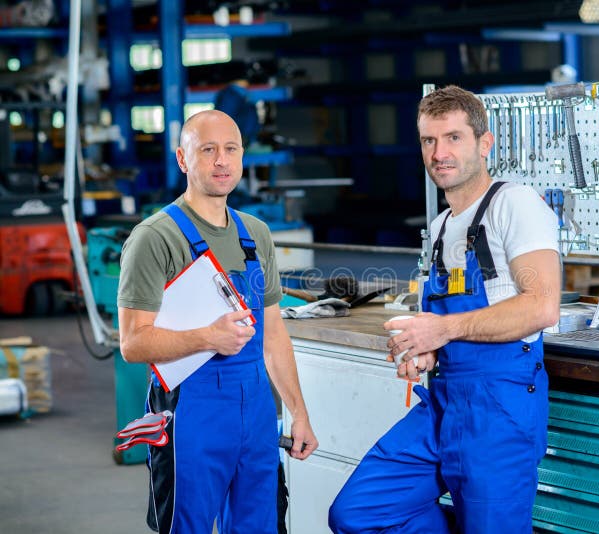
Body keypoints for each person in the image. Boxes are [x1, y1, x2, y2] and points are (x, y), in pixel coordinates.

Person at [328, 85, 561, 534]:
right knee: (358, 513)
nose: (439, 153)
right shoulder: (441, 227)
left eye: (453, 137)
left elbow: (541, 306)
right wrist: (427, 346)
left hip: (498, 408)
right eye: (429, 141)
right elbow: (451, 317)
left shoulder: (515, 205)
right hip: (443, 402)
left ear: (484, 143)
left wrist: (444, 330)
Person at [117, 109, 318, 534]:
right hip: (192, 413)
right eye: (207, 150)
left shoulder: (256, 234)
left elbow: (274, 334)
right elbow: (133, 343)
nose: (221, 160)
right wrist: (208, 337)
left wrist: (298, 412)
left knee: (261, 525)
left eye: (231, 149)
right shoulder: (155, 238)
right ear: (183, 159)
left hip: (258, 411)